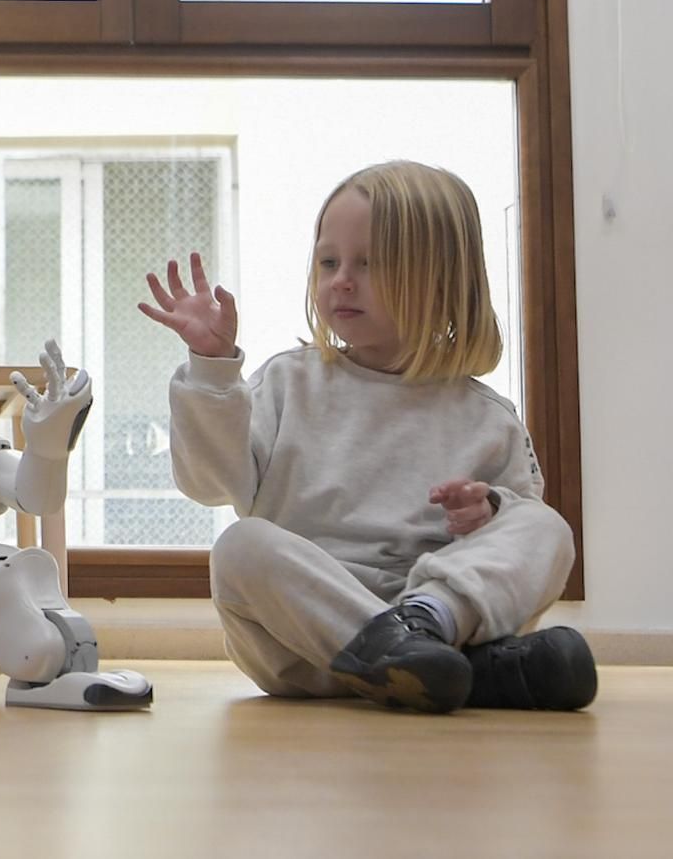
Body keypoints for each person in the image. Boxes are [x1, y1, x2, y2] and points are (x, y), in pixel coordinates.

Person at [138, 160, 596, 714]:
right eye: (329, 262)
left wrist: (491, 510)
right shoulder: (288, 383)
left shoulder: (487, 417)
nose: (342, 280)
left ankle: (423, 642)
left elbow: (516, 552)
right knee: (239, 547)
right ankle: (471, 673)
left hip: (440, 621)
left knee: (545, 526)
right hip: (303, 645)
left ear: (440, 279)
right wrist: (212, 369)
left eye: (370, 264)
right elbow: (209, 485)